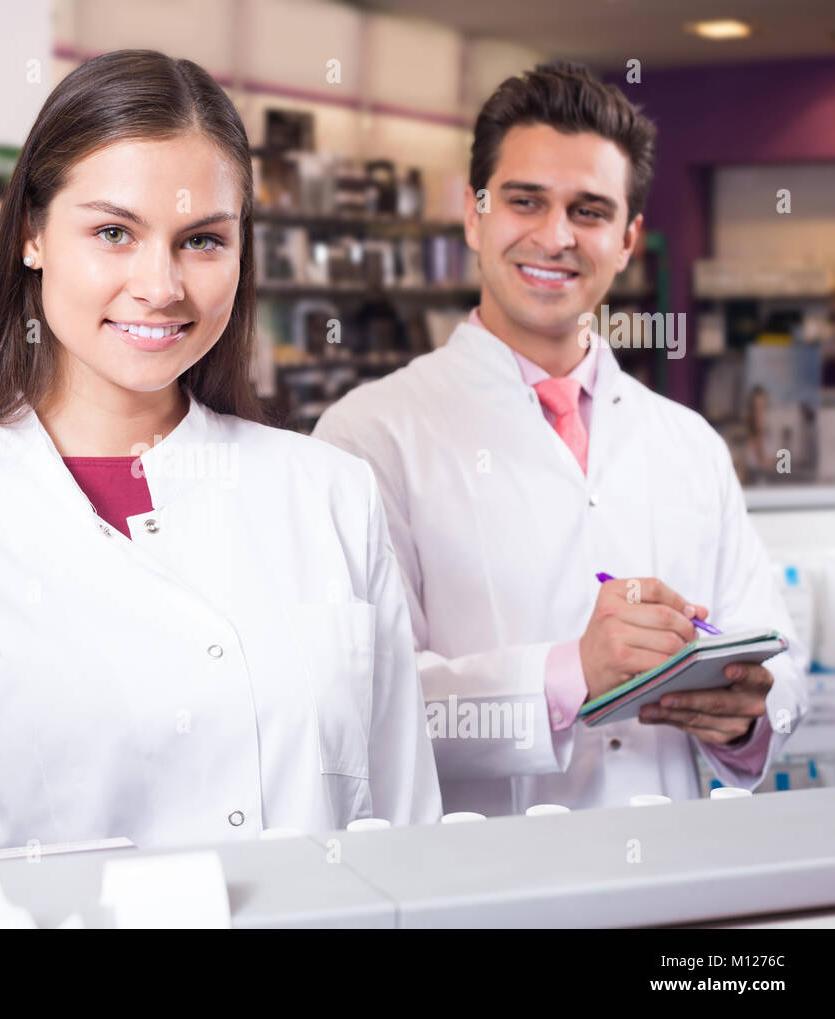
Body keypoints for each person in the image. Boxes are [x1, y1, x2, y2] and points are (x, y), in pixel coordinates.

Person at [0, 49, 441, 865]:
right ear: (30, 233)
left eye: (202, 240)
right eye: (113, 232)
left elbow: (410, 842)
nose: (160, 284)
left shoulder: (331, 494)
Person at [313, 61, 807, 816]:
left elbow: (773, 651)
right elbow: (366, 706)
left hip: (669, 882)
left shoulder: (688, 443)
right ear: (475, 215)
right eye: (525, 201)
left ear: (628, 238)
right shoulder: (367, 437)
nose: (555, 236)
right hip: (487, 892)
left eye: (589, 209)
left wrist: (746, 716)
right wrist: (573, 673)